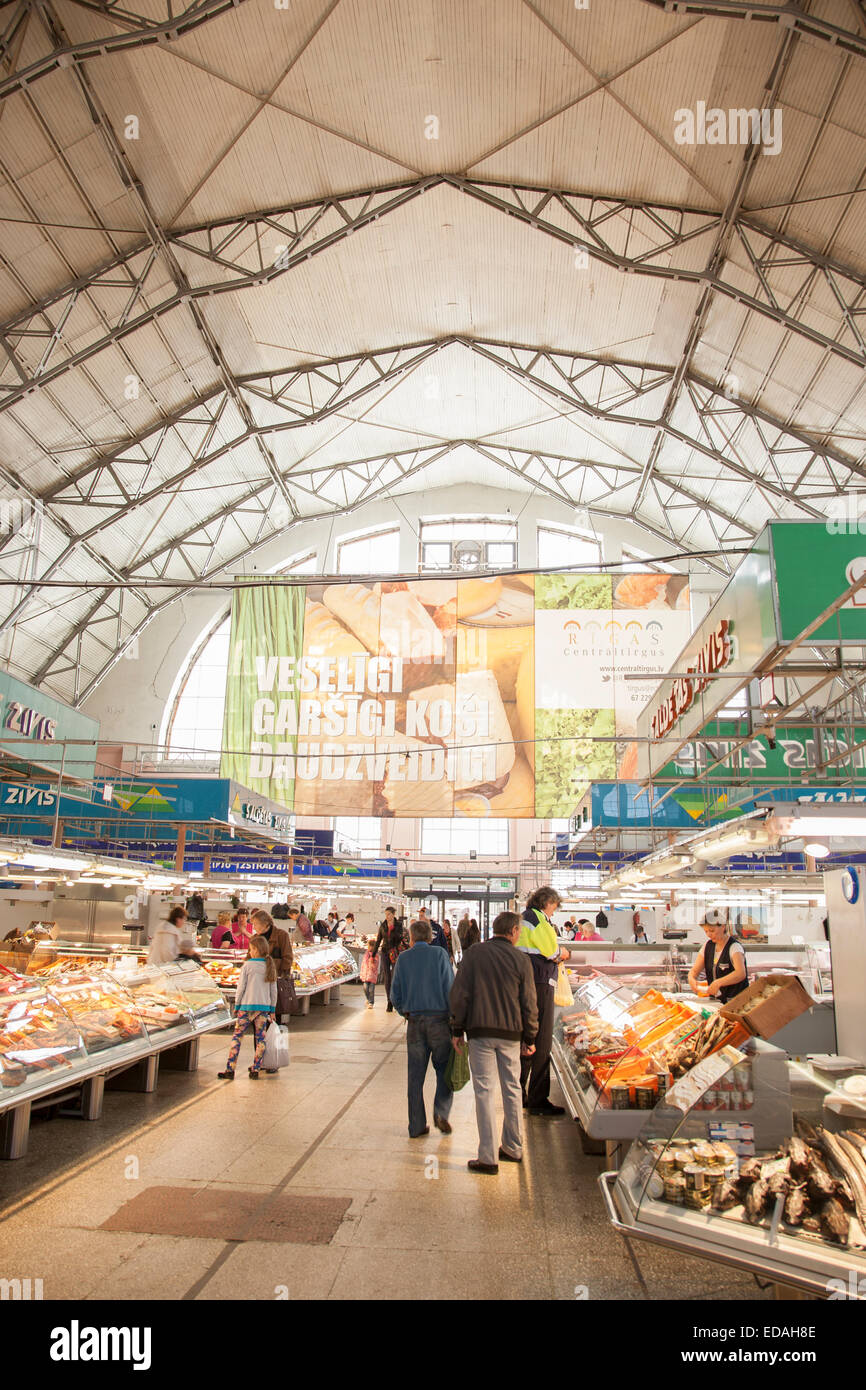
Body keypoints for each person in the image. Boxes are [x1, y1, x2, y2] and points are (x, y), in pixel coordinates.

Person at [450, 911, 539, 1175]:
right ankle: (513, 1147)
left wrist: (456, 1028)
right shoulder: (521, 960)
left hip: (479, 1032)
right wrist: (530, 1037)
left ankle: (487, 1157)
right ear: (513, 931)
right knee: (512, 1089)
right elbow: (529, 1003)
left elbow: (460, 993)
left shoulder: (474, 954)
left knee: (484, 1092)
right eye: (519, 931)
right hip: (511, 1035)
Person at [390, 919, 456, 1137]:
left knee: (415, 1077)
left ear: (411, 937)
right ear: (431, 937)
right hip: (440, 1022)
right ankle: (441, 1112)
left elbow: (395, 994)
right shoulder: (439, 955)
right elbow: (450, 988)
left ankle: (416, 1126)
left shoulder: (403, 958)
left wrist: (405, 1012)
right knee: (445, 1072)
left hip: (415, 1023)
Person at [517, 886, 567, 1117]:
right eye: (555, 907)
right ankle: (537, 1098)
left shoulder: (525, 918)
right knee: (542, 1041)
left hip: (528, 982)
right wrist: (564, 953)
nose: (554, 912)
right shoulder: (538, 920)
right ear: (547, 902)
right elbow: (553, 952)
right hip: (540, 983)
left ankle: (521, 1092)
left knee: (527, 1038)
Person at [217, 935, 277, 1080]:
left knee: (237, 1037)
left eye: (251, 949)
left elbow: (241, 988)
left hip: (246, 1006)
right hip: (263, 1008)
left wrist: (237, 1005)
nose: (250, 952)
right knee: (261, 1039)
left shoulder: (247, 965)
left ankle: (230, 1069)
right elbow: (273, 990)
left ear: (255, 950)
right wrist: (273, 1009)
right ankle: (256, 1069)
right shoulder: (269, 965)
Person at [687, 918, 749, 1003]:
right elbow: (694, 971)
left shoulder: (734, 947)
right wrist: (691, 979)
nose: (708, 934)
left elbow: (740, 973)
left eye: (711, 931)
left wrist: (718, 983)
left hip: (736, 1002)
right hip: (716, 1001)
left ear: (723, 926)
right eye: (706, 931)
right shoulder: (707, 946)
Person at [372, 906, 407, 1012]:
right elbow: (378, 940)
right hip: (385, 952)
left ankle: (396, 999)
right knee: (387, 977)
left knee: (394, 976)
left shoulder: (399, 925)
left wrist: (394, 931)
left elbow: (401, 938)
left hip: (395, 952)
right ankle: (389, 1001)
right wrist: (373, 954)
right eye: (386, 914)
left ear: (393, 914)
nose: (387, 916)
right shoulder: (383, 926)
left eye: (389, 914)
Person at [359, 939, 379, 1008]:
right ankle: (368, 998)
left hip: (372, 975)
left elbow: (375, 965)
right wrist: (362, 972)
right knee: (365, 988)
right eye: (369, 946)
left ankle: (371, 1002)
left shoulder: (375, 955)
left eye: (371, 946)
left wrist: (372, 960)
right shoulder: (366, 954)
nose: (370, 947)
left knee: (371, 990)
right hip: (365, 974)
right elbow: (363, 964)